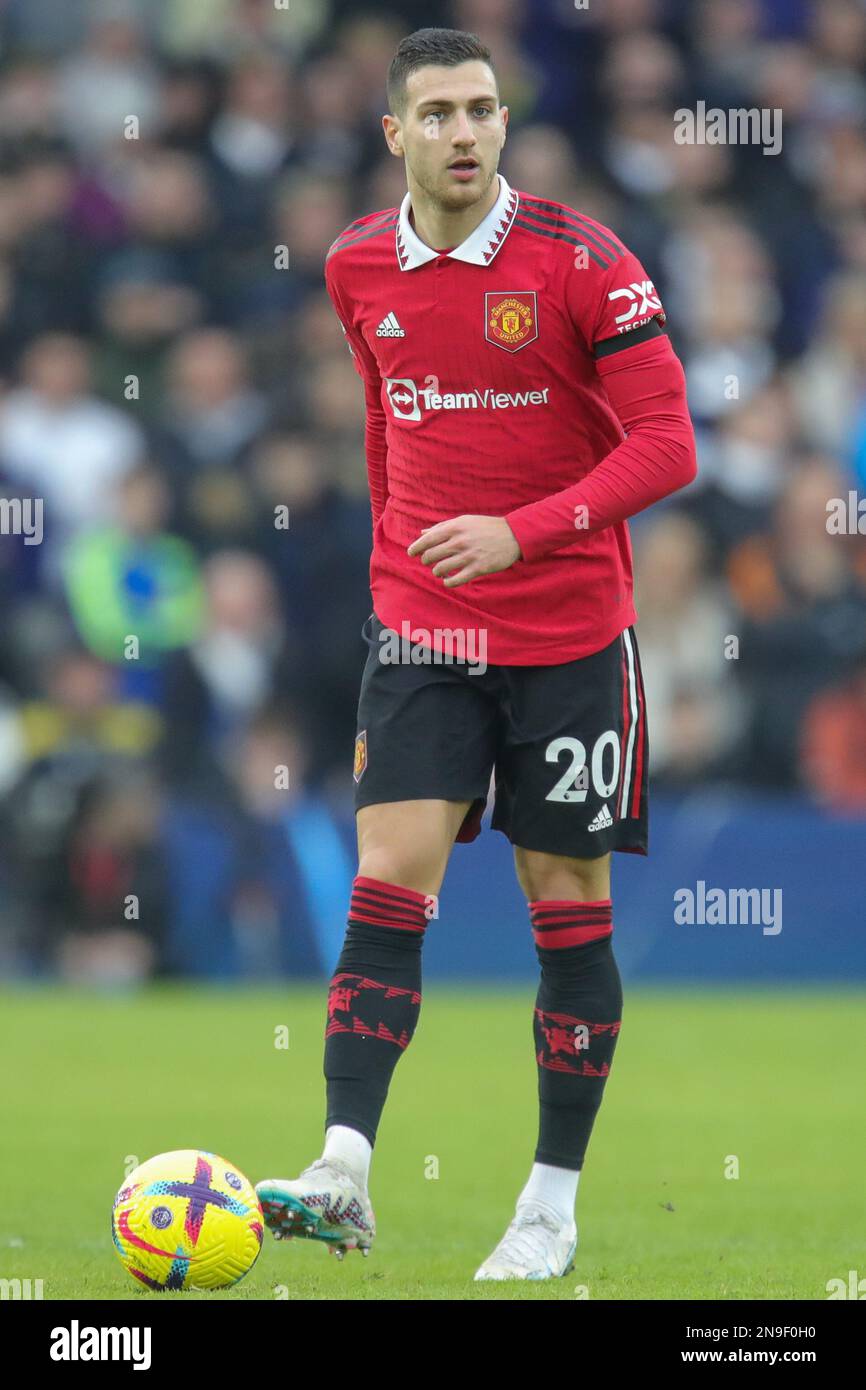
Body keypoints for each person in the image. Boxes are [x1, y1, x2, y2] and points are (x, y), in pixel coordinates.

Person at [256, 26, 697, 1282]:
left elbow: (668, 446)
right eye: (438, 112)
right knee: (387, 880)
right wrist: (403, 555)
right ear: (393, 132)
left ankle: (549, 1204)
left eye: (482, 110)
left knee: (565, 903)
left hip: (567, 633)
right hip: (426, 629)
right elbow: (385, 419)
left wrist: (522, 529)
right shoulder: (352, 264)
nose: (463, 131)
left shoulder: (581, 262)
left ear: (504, 125)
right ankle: (343, 1166)